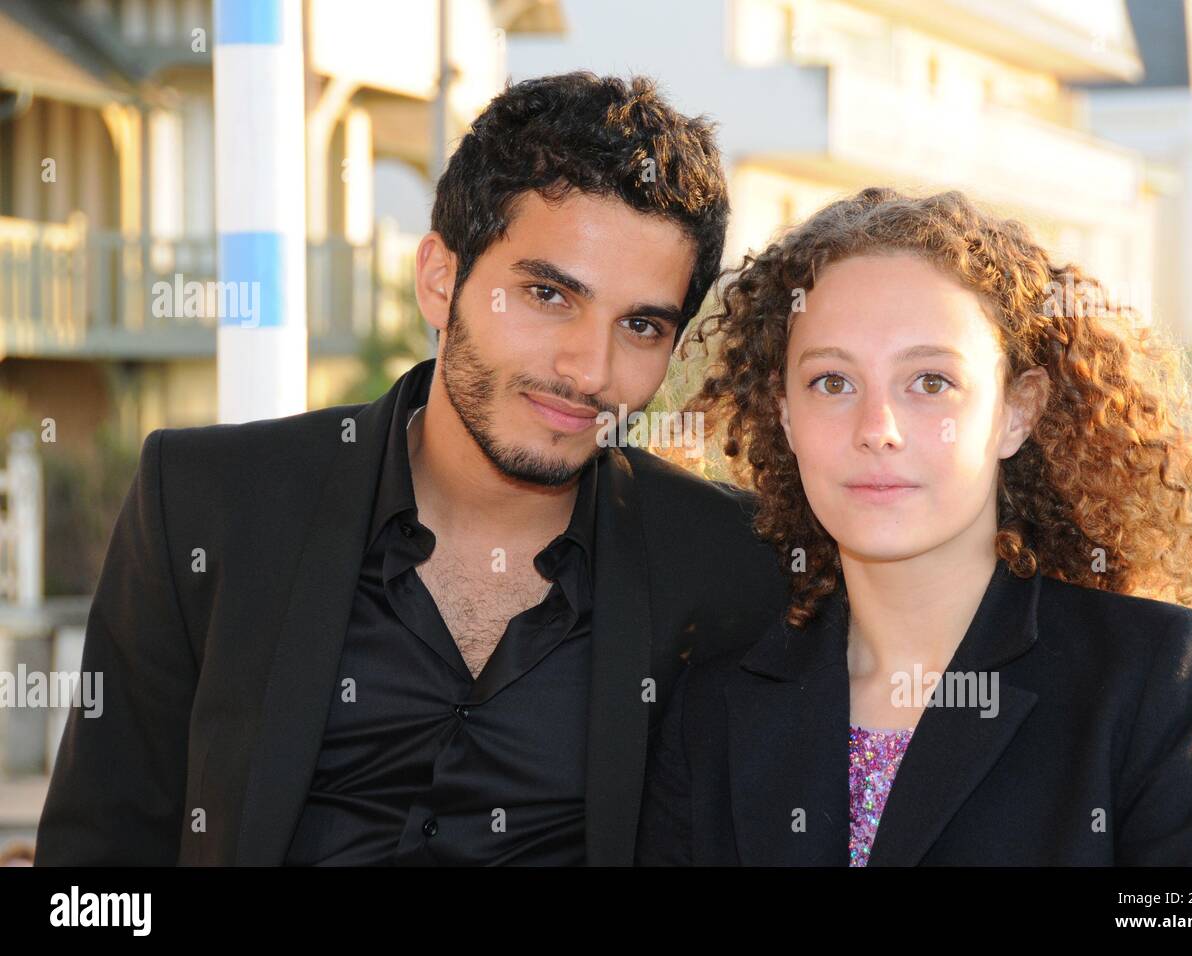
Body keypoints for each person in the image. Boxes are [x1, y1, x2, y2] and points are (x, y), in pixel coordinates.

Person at [35, 71, 787, 866]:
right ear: (440, 279)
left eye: (639, 324)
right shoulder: (207, 504)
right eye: (547, 295)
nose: (588, 370)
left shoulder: (726, 565)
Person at [635, 187, 1192, 866]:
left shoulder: (1155, 679)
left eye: (930, 381)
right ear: (785, 414)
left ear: (1017, 412)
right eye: (832, 383)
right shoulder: (712, 706)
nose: (877, 429)